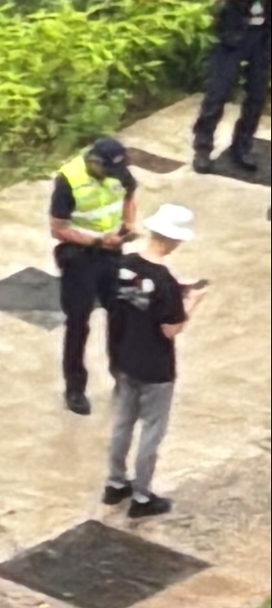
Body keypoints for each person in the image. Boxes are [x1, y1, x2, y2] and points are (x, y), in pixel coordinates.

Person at [103, 204, 205, 519]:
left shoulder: (124, 265)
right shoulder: (165, 282)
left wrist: (176, 289)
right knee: (152, 429)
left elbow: (126, 301)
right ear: (175, 240)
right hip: (155, 367)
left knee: (123, 422)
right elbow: (171, 328)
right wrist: (192, 302)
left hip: (124, 355)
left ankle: (115, 482)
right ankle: (142, 496)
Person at [47, 136, 138, 415]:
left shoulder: (117, 171)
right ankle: (75, 387)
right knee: (78, 322)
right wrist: (96, 241)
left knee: (120, 312)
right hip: (80, 256)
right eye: (107, 171)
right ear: (94, 161)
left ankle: (121, 376)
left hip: (112, 253)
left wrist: (128, 223)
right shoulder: (68, 180)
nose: (113, 176)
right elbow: (58, 228)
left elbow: (129, 193)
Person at [192, 0, 270, 176]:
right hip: (234, 30)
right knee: (219, 91)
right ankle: (203, 147)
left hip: (264, 33)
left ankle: (242, 146)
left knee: (257, 94)